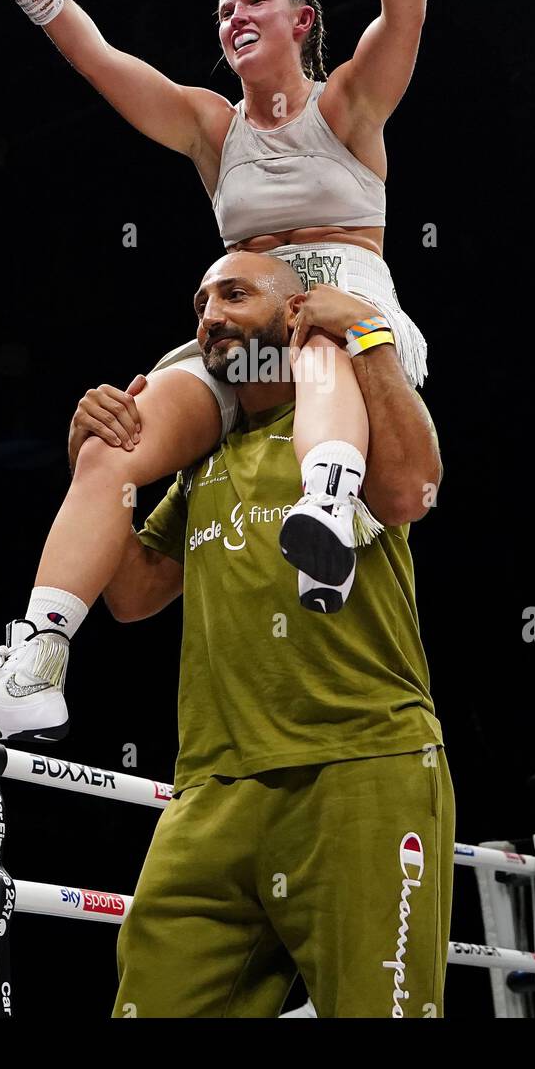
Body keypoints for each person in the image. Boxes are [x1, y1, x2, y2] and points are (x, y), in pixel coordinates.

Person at [0, 0, 448, 744]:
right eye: (219, 8)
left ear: (300, 22)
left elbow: (400, 21)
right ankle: (38, 658)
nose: (229, 17)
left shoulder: (349, 107)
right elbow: (99, 60)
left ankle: (325, 510)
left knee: (319, 332)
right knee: (116, 440)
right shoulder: (213, 128)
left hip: (343, 309)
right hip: (242, 328)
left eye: (251, 1)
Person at [96, 248, 452, 1017]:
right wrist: (97, 462)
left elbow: (410, 491)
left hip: (360, 766)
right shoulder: (203, 465)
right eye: (199, 303)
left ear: (296, 310)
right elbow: (129, 596)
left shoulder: (343, 430)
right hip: (212, 787)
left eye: (233, 294)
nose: (210, 316)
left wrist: (369, 337)